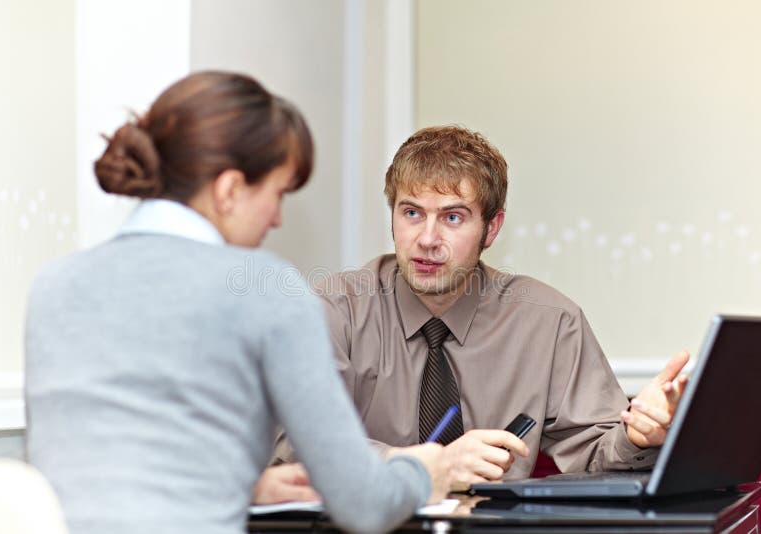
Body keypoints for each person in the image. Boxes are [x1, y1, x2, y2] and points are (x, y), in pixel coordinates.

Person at [25, 71, 449, 534]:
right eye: (277, 193)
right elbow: (364, 505)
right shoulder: (263, 287)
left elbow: (116, 471)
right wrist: (423, 472)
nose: (277, 217)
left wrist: (245, 488)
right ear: (229, 190)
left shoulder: (55, 285)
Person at [273, 125, 689, 490]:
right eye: (412, 213)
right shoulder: (336, 310)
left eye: (452, 218)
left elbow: (597, 455)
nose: (426, 239)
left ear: (492, 228)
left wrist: (639, 436)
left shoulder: (549, 322)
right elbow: (294, 443)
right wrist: (426, 465)